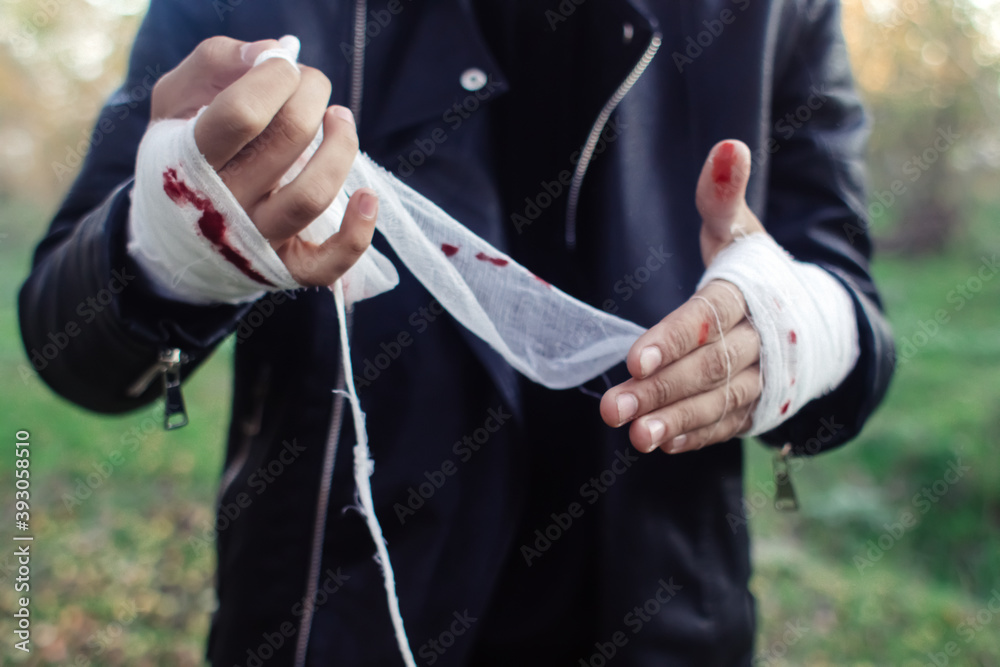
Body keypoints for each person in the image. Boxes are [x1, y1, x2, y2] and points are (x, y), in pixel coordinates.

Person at [19, 1, 894, 665]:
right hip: (326, 626)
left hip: (664, 626)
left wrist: (790, 327)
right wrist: (173, 237)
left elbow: (852, 314)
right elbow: (67, 339)